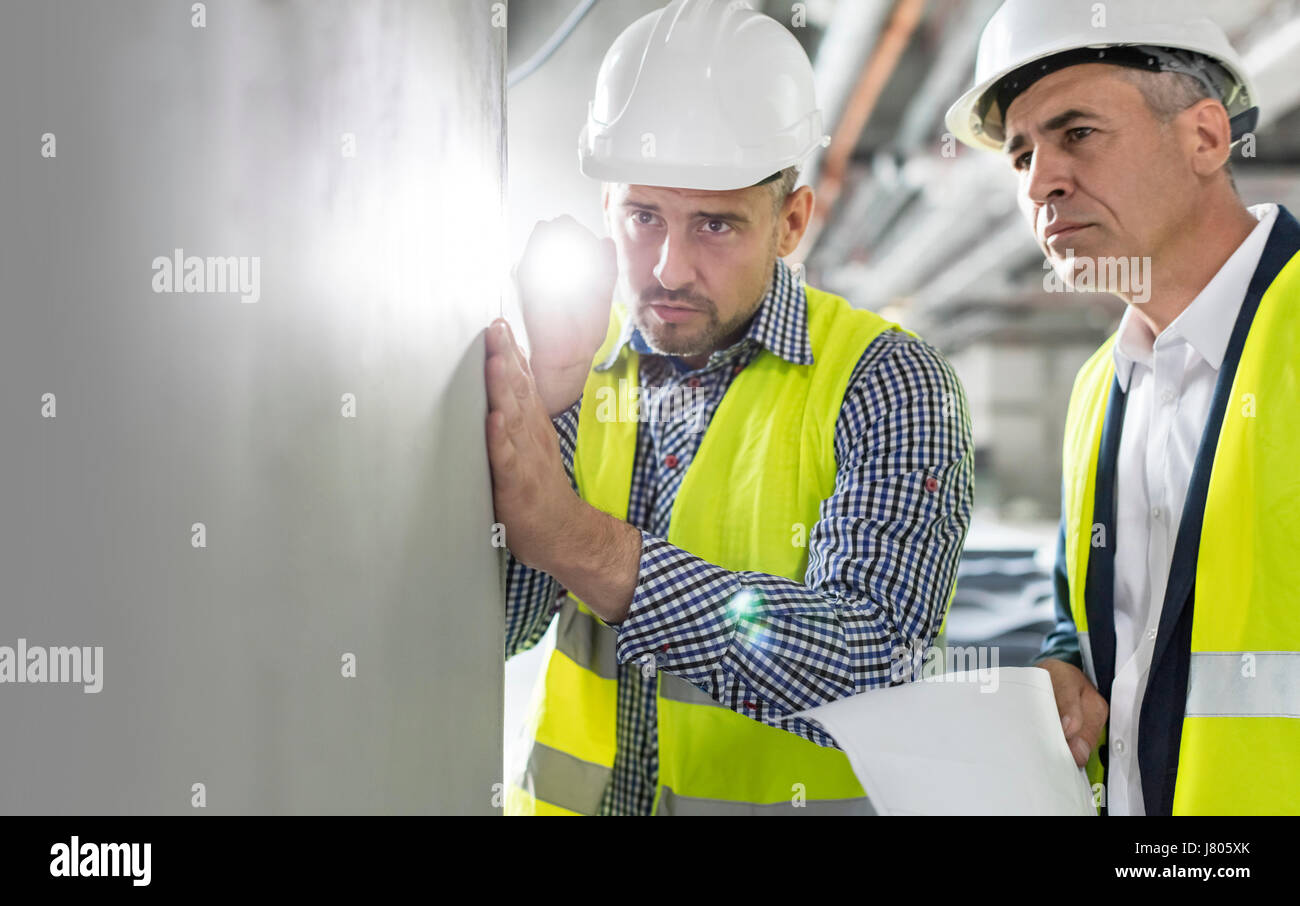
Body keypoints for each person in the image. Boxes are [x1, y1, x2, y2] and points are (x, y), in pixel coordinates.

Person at [487, 0, 973, 816]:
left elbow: (878, 667)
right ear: (607, 207)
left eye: (715, 225)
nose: (669, 269)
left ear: (791, 223)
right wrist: (557, 399)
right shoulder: (576, 362)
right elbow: (496, 631)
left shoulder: (889, 382)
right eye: (644, 218)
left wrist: (588, 546)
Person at [947, 0, 1299, 815]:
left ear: (1206, 138)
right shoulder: (1099, 391)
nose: (1040, 181)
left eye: (1077, 134)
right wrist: (1068, 662)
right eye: (1022, 154)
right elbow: (1099, 615)